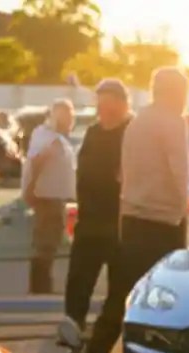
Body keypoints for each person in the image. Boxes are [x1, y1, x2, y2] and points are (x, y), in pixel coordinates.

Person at [80, 67, 189, 353]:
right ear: (177, 93)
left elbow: (123, 172)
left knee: (121, 295)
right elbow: (178, 172)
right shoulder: (173, 122)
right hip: (163, 221)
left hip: (130, 218)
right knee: (167, 301)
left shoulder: (137, 123)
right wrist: (182, 210)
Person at [60, 79, 133, 337]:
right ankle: (73, 328)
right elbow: (83, 173)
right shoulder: (93, 133)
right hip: (90, 221)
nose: (104, 110)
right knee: (79, 280)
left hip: (119, 223)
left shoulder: (132, 132)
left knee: (119, 287)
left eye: (109, 104)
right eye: (100, 104)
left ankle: (108, 334)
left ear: (123, 104)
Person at [22, 99, 77, 294]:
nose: (72, 119)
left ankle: (40, 286)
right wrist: (31, 187)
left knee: (46, 244)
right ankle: (40, 288)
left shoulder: (47, 135)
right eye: (68, 115)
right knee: (46, 244)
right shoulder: (51, 138)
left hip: (51, 197)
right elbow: (39, 161)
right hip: (49, 198)